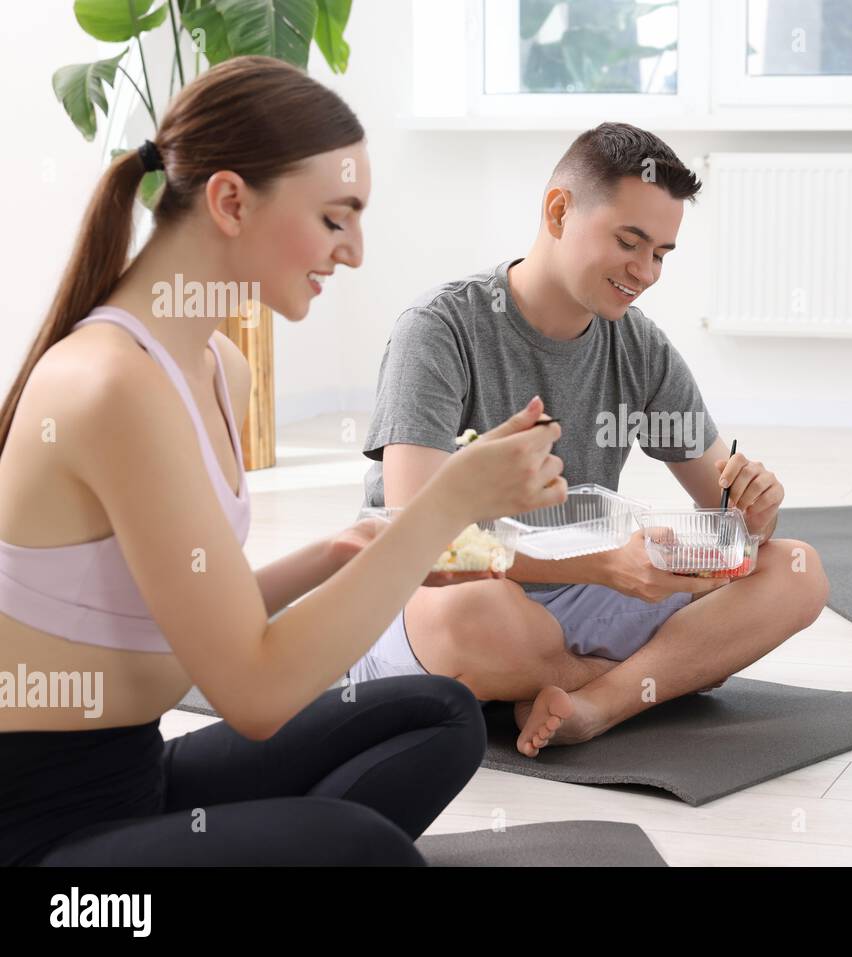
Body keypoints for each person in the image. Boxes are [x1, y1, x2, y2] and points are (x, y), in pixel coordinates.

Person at [0, 56, 565, 866]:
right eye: (337, 218)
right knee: (363, 848)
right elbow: (255, 695)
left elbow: (174, 617)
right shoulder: (110, 385)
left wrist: (335, 557)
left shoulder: (215, 367)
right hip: (36, 837)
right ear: (231, 201)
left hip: (133, 774)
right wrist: (443, 504)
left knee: (440, 713)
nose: (356, 252)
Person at [352, 122, 829, 757]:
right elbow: (419, 546)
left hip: (580, 598)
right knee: (473, 616)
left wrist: (750, 511)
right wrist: (609, 569)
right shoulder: (440, 329)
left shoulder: (640, 345)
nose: (646, 272)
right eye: (630, 242)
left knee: (799, 570)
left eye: (660, 254)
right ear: (558, 211)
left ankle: (591, 707)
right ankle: (644, 680)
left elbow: (725, 510)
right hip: (447, 596)